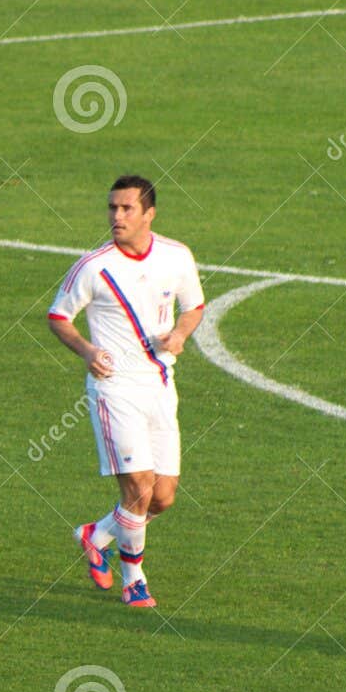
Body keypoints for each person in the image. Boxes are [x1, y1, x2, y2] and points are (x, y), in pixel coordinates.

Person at [48, 175, 204, 608]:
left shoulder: (176, 256)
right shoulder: (93, 266)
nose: (116, 216)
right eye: (112, 208)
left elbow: (194, 307)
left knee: (163, 497)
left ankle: (96, 534)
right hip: (113, 389)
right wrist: (86, 350)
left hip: (160, 385)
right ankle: (134, 579)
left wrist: (180, 334)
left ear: (149, 213)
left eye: (126, 208)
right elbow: (58, 316)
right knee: (137, 488)